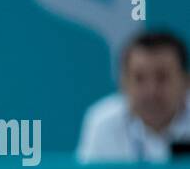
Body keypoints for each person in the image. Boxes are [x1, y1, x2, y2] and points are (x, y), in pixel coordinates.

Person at [77, 30, 190, 162]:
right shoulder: (102, 123)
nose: (151, 91)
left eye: (162, 77)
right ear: (123, 83)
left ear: (186, 81)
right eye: (139, 78)